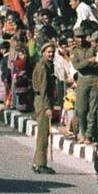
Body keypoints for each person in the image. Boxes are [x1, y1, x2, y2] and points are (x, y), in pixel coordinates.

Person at [31, 40, 61, 174]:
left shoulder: (48, 65)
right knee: (43, 133)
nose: (51, 54)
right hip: (43, 101)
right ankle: (40, 163)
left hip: (43, 100)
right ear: (43, 53)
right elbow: (43, 89)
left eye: (53, 52)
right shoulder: (43, 67)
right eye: (48, 52)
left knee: (43, 133)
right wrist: (47, 107)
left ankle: (37, 161)